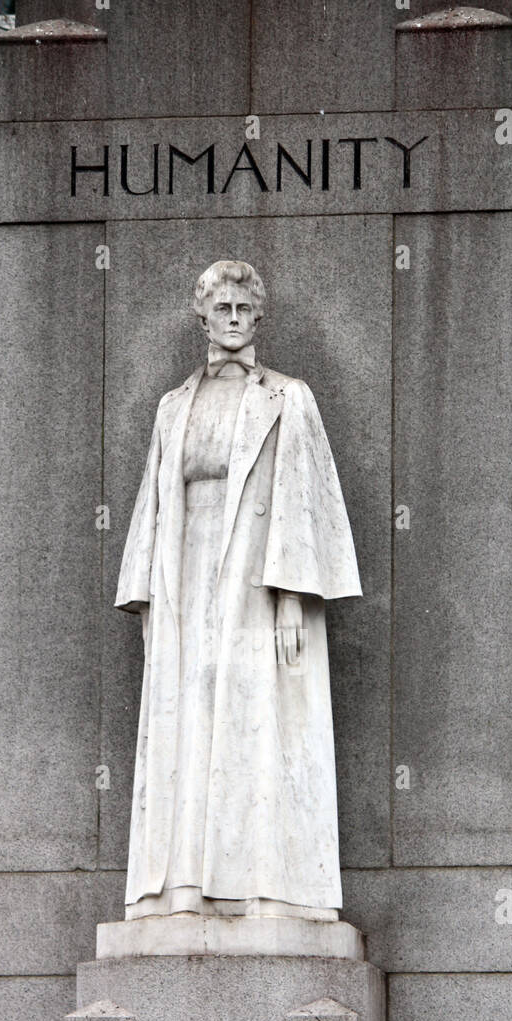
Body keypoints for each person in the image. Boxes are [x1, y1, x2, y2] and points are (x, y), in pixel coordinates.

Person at [115, 260, 361, 921]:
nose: (230, 318)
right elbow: (153, 506)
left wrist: (289, 599)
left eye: (242, 308)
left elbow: (304, 505)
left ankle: (263, 888)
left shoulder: (289, 397)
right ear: (201, 317)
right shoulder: (173, 407)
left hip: (256, 578)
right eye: (219, 307)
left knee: (255, 728)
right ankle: (183, 888)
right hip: (186, 579)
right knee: (188, 727)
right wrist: (147, 595)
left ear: (258, 318)